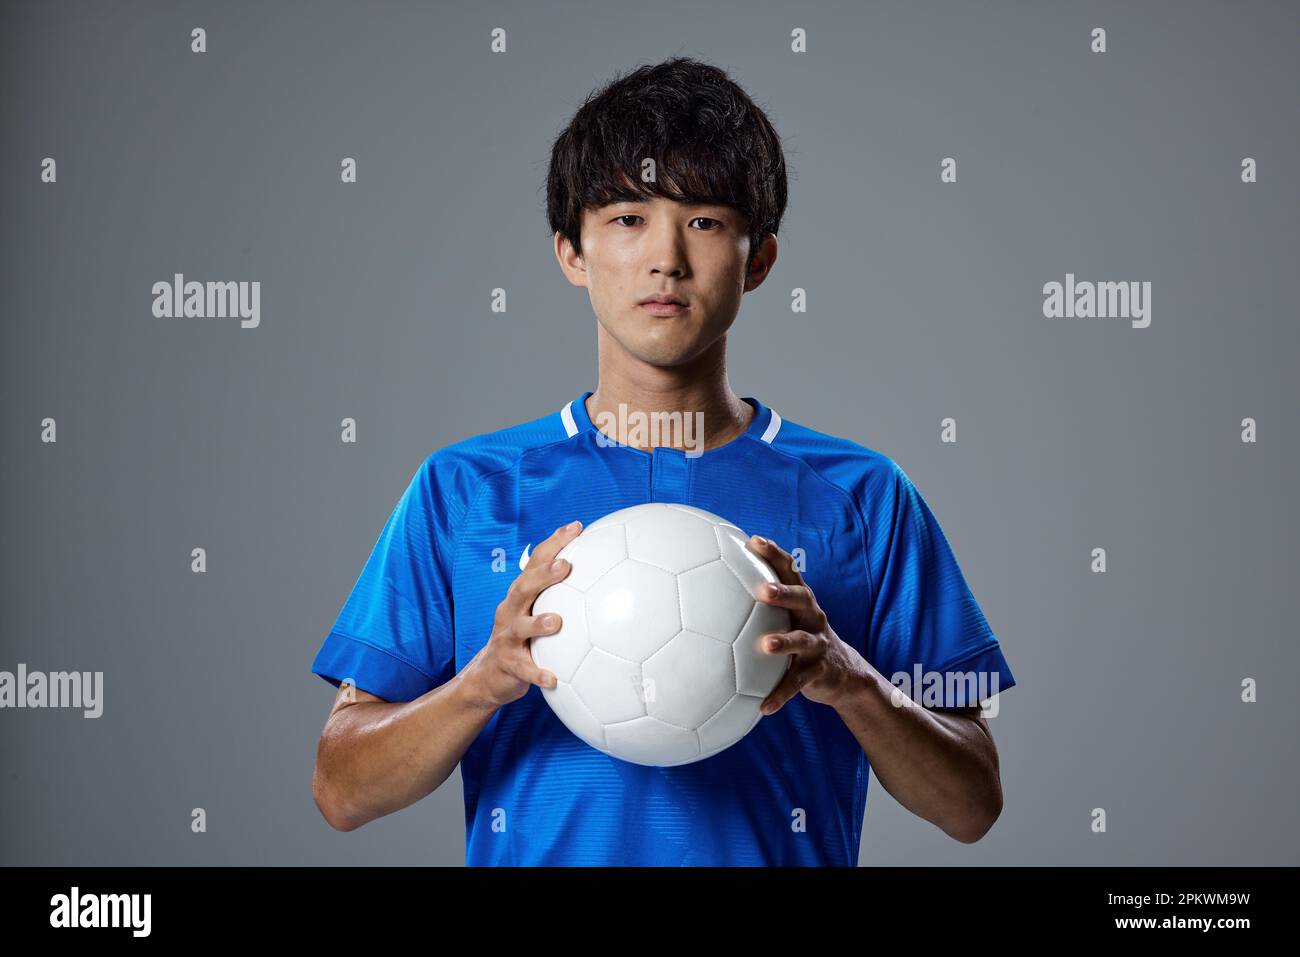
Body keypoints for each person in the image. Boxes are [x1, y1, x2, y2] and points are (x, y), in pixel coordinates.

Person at [309, 57, 1016, 865]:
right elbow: (341, 788)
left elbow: (972, 803)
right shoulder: (465, 491)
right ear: (573, 252)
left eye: (706, 221)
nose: (666, 259)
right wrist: (484, 682)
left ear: (759, 260)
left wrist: (850, 677)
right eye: (626, 218)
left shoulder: (865, 497)